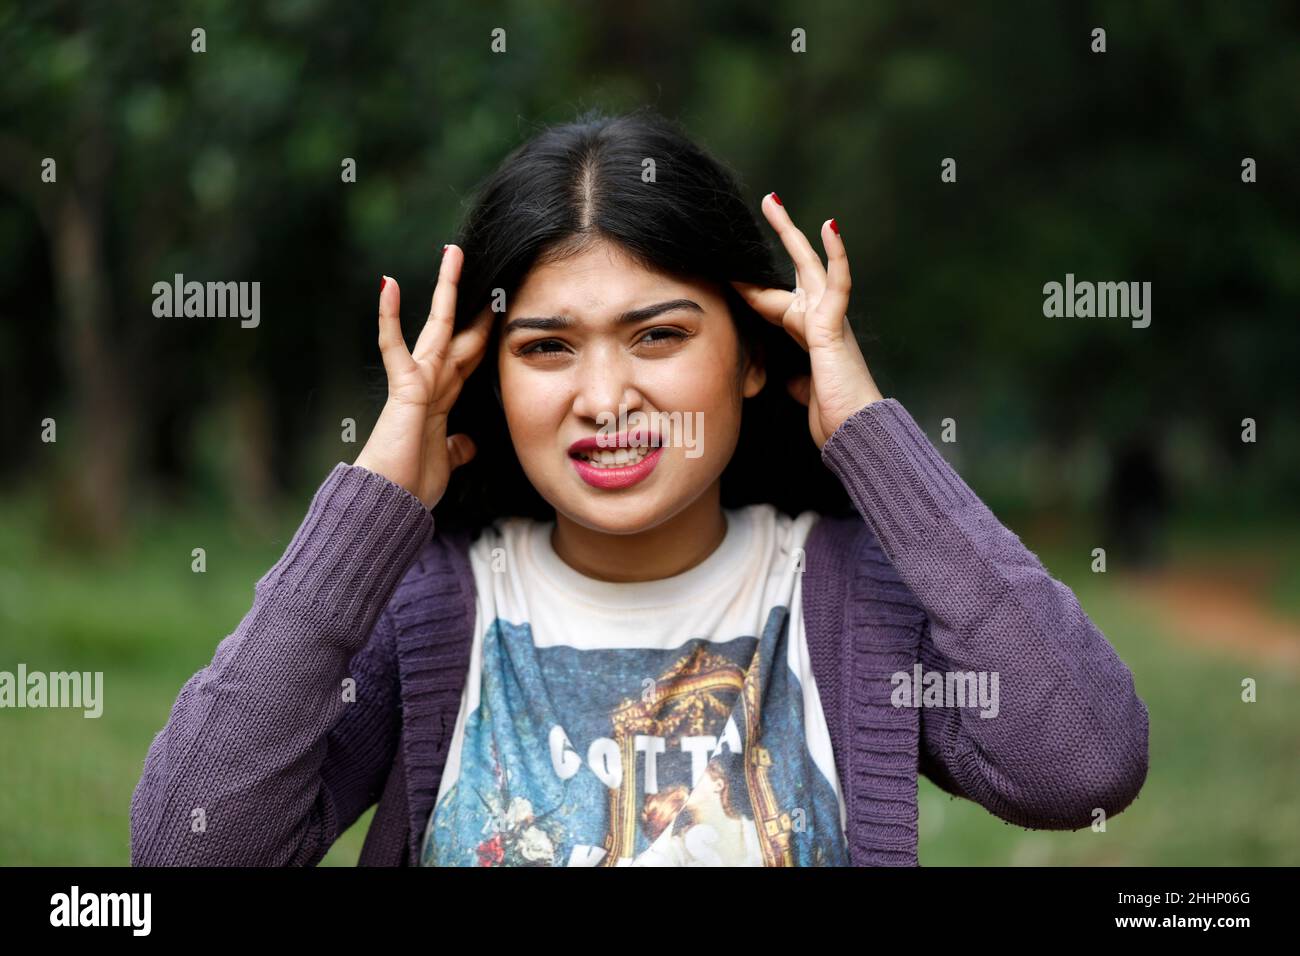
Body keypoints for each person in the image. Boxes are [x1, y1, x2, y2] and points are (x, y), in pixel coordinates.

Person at [130, 107, 1149, 867]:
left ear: (754, 357)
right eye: (547, 347)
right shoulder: (429, 608)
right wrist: (370, 503)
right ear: (485, 376)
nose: (605, 397)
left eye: (658, 335)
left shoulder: (846, 599)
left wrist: (870, 436)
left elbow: (1085, 764)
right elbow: (185, 848)